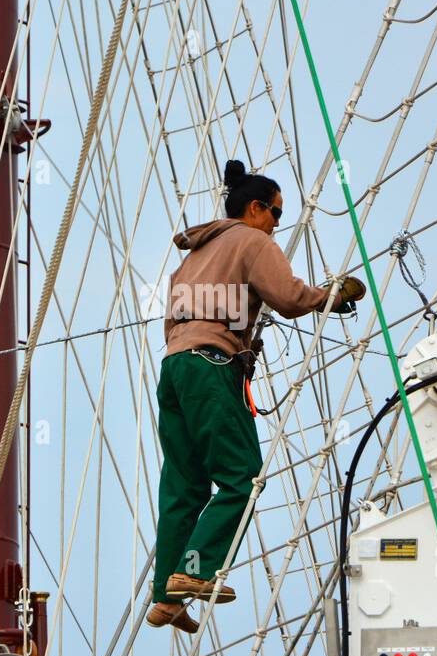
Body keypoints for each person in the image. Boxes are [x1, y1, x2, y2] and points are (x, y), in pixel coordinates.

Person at [147, 159, 366, 632]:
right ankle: (195, 569)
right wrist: (334, 296)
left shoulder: (191, 258)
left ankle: (166, 597)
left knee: (182, 485)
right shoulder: (251, 240)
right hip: (211, 369)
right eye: (275, 213)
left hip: (174, 369)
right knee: (241, 476)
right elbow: (288, 298)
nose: (277, 224)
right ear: (254, 207)